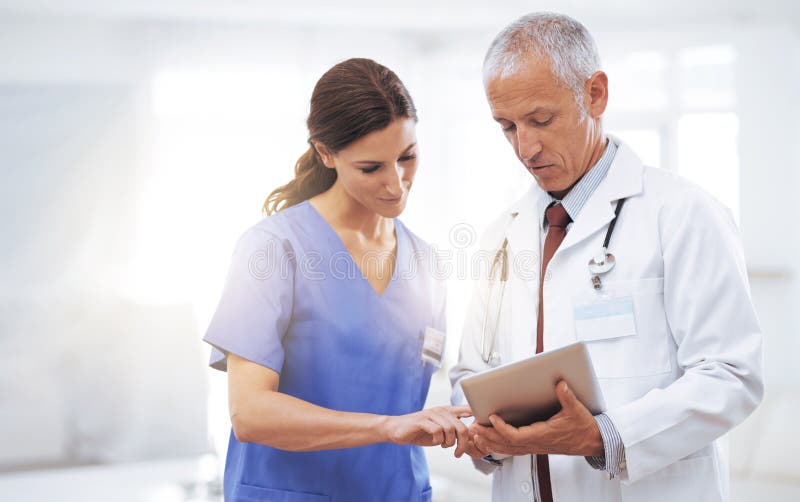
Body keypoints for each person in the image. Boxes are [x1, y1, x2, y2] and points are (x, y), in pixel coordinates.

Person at [449, 12, 764, 502]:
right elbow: (470, 374)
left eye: (541, 120)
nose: (525, 148)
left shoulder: (683, 214)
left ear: (595, 94)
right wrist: (481, 435)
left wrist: (604, 436)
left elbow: (731, 375)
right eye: (507, 127)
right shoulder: (500, 238)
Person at [203, 58, 473, 502]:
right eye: (371, 167)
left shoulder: (426, 264)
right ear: (326, 153)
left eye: (407, 157)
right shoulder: (271, 249)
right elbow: (250, 413)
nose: (396, 184)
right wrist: (386, 427)